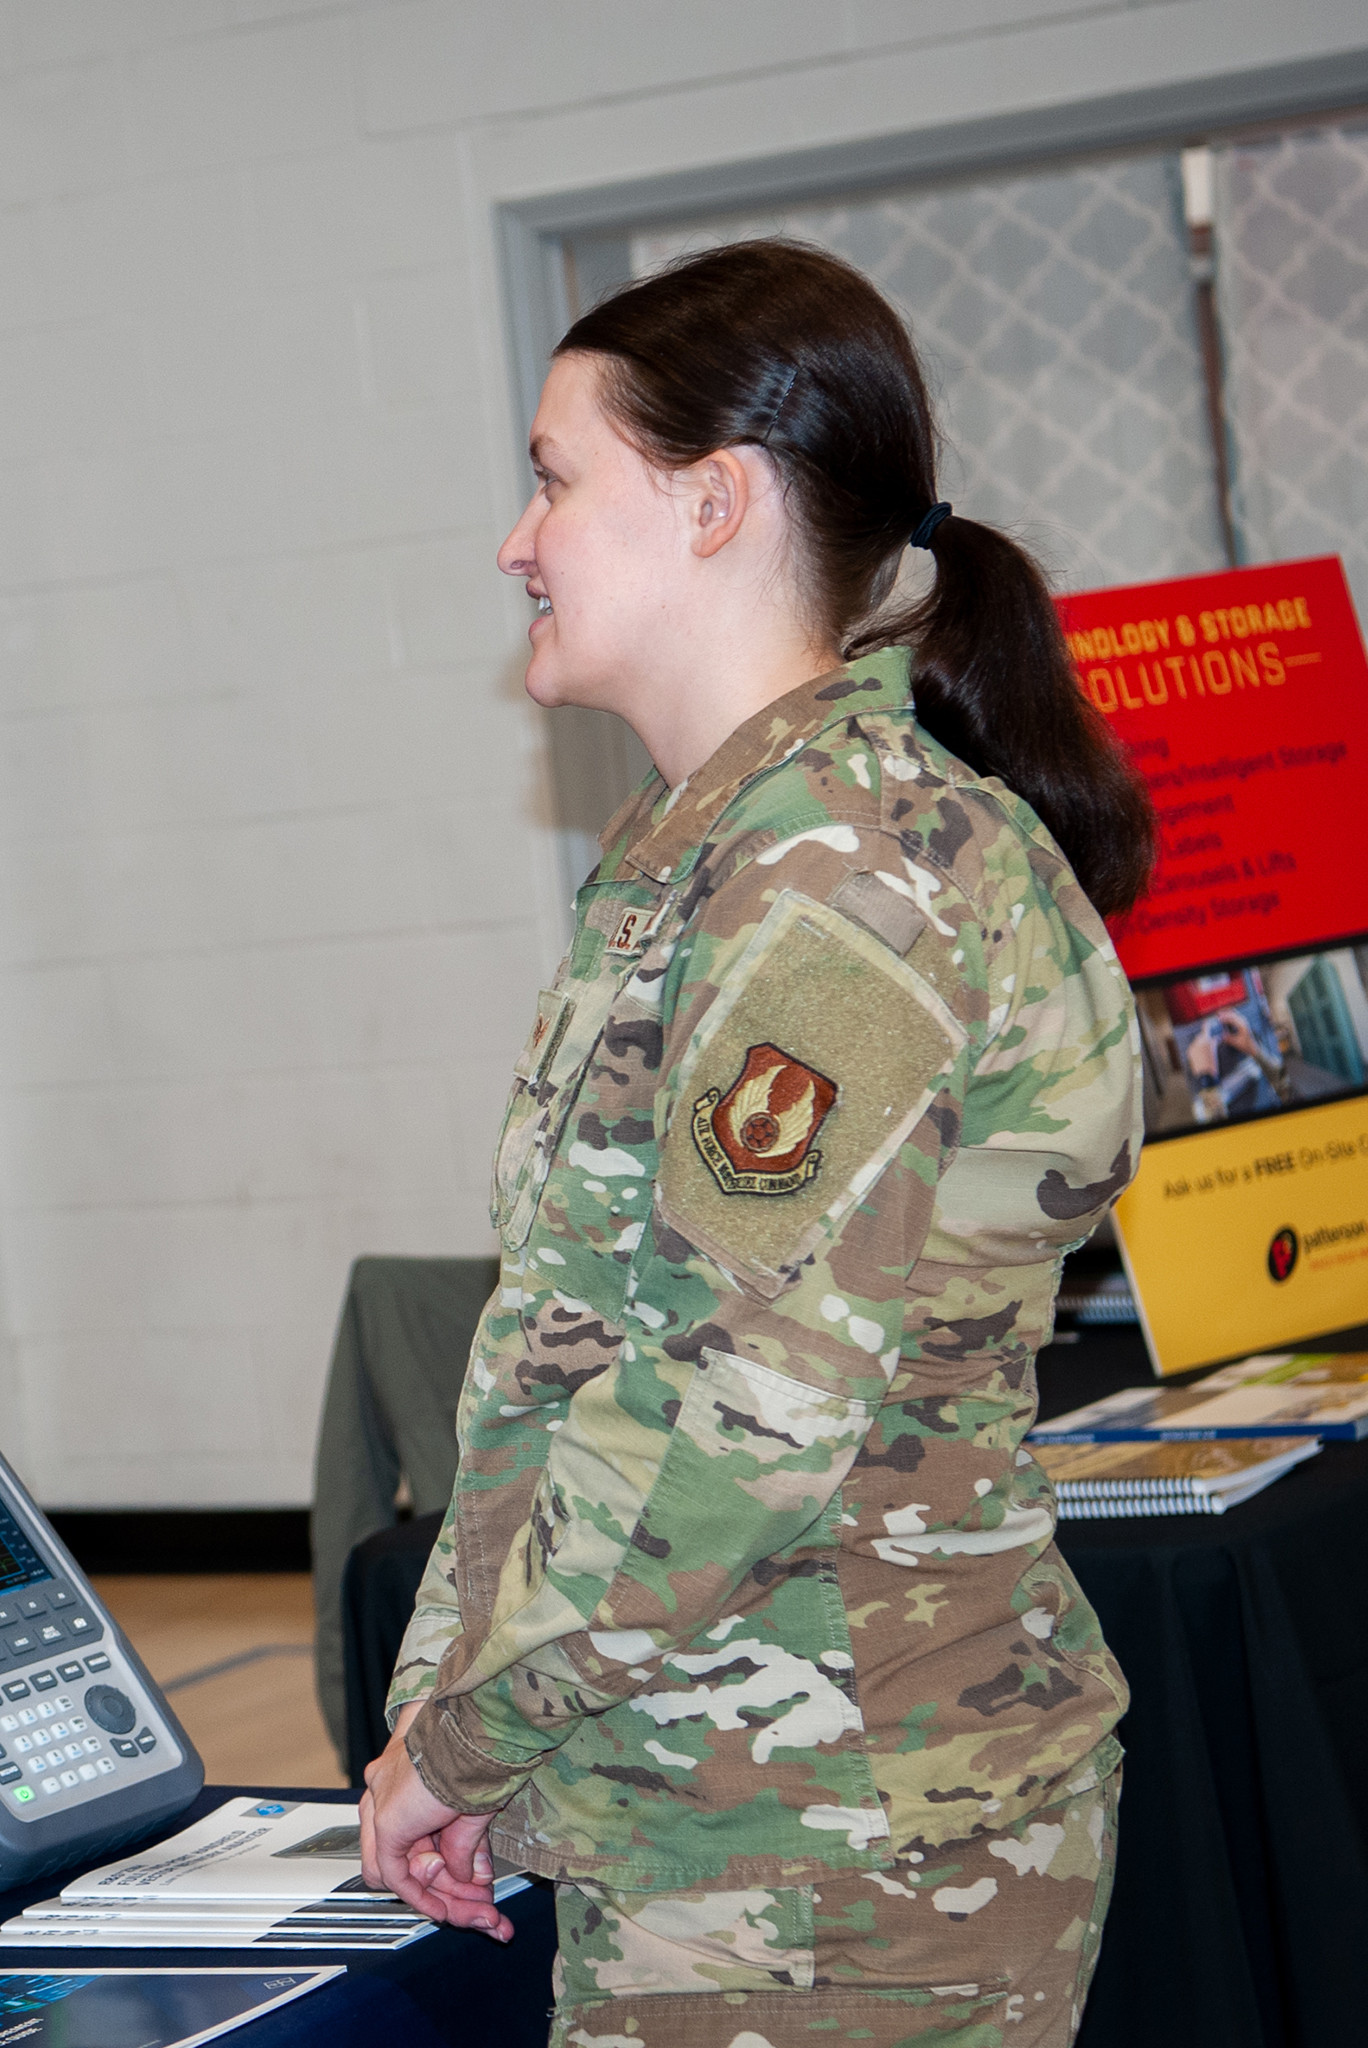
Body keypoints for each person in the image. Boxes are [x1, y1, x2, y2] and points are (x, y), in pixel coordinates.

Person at [356, 240, 1152, 2048]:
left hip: (840, 1865)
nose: (517, 538)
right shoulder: (706, 847)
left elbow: (739, 1411)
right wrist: (460, 1720)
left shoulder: (841, 875)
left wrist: (466, 1734)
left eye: (555, 478)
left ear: (714, 504)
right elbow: (566, 1344)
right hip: (719, 1817)